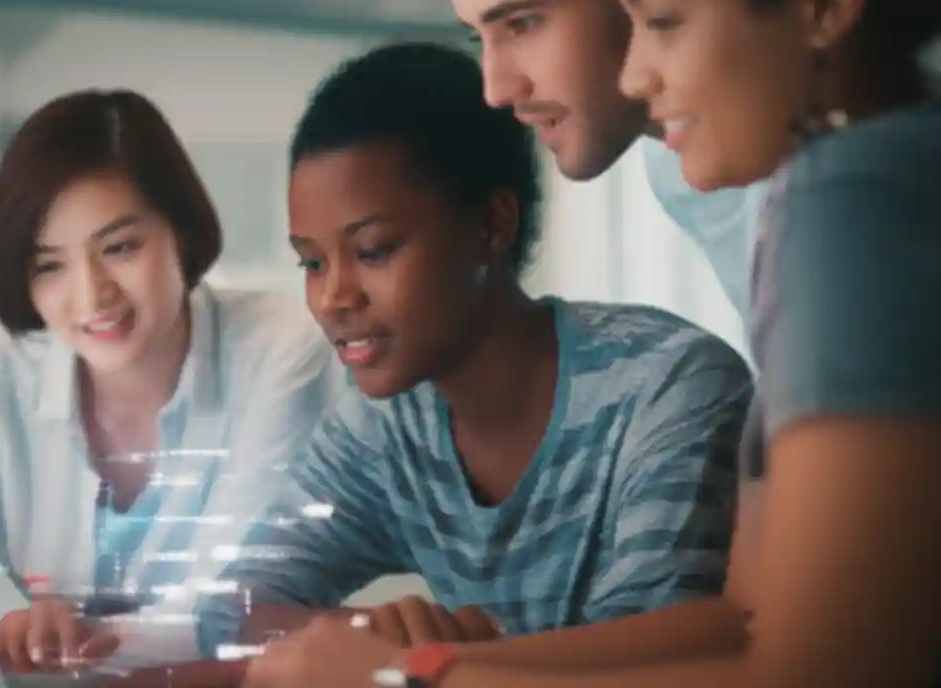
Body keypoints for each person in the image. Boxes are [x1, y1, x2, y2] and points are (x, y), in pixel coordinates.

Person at [244, 0, 941, 686]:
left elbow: (834, 668)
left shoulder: (861, 199)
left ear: (823, 2)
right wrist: (427, 660)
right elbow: (743, 621)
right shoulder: (824, 192)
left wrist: (402, 680)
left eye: (662, 20)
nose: (636, 73)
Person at [196, 41, 753, 673]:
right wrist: (362, 634)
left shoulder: (666, 386)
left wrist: (430, 664)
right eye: (312, 263)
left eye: (375, 250)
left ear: (491, 224)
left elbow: (654, 655)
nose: (333, 297)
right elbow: (229, 609)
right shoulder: (382, 430)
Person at [0, 89, 342, 673]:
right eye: (50, 265)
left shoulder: (280, 350)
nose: (92, 295)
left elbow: (239, 602)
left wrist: (56, 640)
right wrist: (7, 623)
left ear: (180, 233)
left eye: (120, 247)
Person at [439, 0, 766, 323]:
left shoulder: (795, 156)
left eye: (522, 24)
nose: (497, 91)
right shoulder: (670, 167)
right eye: (478, 39)